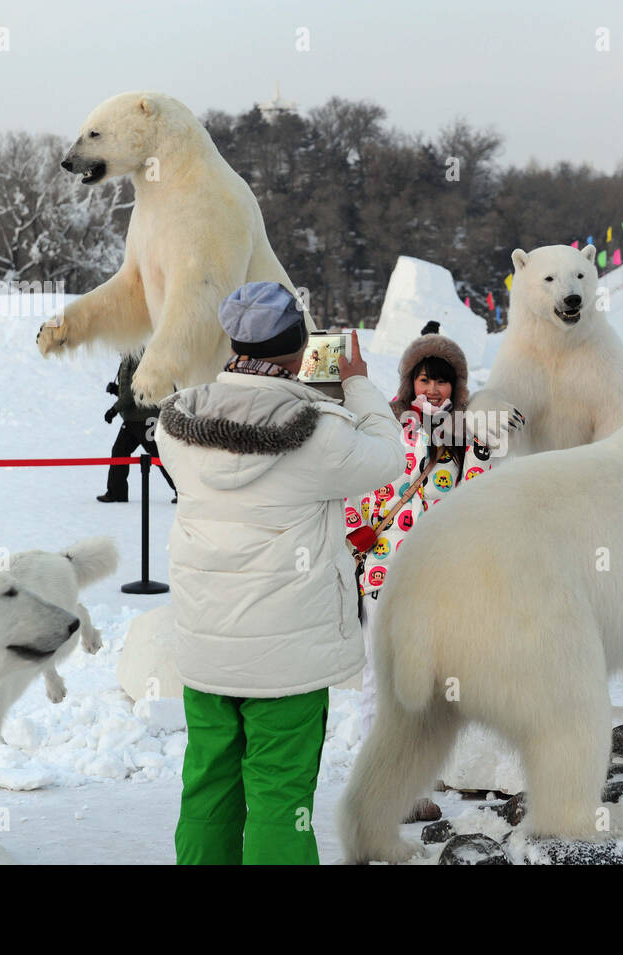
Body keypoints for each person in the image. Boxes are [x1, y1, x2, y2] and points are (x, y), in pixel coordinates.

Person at [154, 281, 404, 865]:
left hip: (206, 650)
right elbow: (389, 454)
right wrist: (355, 382)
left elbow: (237, 409)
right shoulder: (319, 433)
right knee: (280, 796)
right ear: (299, 345)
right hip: (287, 660)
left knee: (207, 789)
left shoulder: (176, 423)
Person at [343, 321, 494, 822]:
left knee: (425, 686)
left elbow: (479, 500)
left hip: (436, 577)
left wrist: (487, 445)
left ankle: (411, 785)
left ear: (457, 385)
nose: (433, 389)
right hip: (383, 571)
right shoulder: (386, 425)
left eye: (443, 380)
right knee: (377, 681)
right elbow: (357, 487)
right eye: (424, 379)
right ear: (410, 381)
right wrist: (354, 534)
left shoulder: (469, 436)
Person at [100, 351, 177, 504]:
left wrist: (114, 410)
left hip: (142, 418)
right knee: (121, 452)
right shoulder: (131, 355)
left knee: (158, 455)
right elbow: (130, 389)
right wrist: (116, 390)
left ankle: (184, 492)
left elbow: (135, 390)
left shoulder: (137, 356)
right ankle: (116, 493)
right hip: (135, 418)